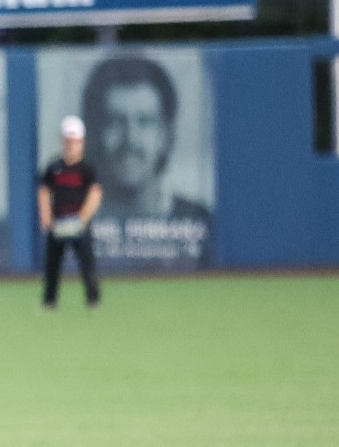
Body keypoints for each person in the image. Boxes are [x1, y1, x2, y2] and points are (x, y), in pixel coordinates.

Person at [79, 55, 212, 225]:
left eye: (145, 122)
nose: (131, 139)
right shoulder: (68, 222)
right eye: (114, 121)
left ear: (166, 135)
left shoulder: (201, 222)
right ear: (92, 134)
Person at [38, 115, 103, 309]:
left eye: (74, 141)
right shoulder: (54, 167)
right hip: (58, 224)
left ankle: (93, 301)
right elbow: (44, 191)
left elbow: (95, 193)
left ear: (81, 142)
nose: (70, 145)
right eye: (67, 140)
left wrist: (82, 218)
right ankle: (50, 302)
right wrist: (46, 216)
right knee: (52, 266)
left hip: (79, 225)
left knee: (87, 265)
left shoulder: (86, 169)